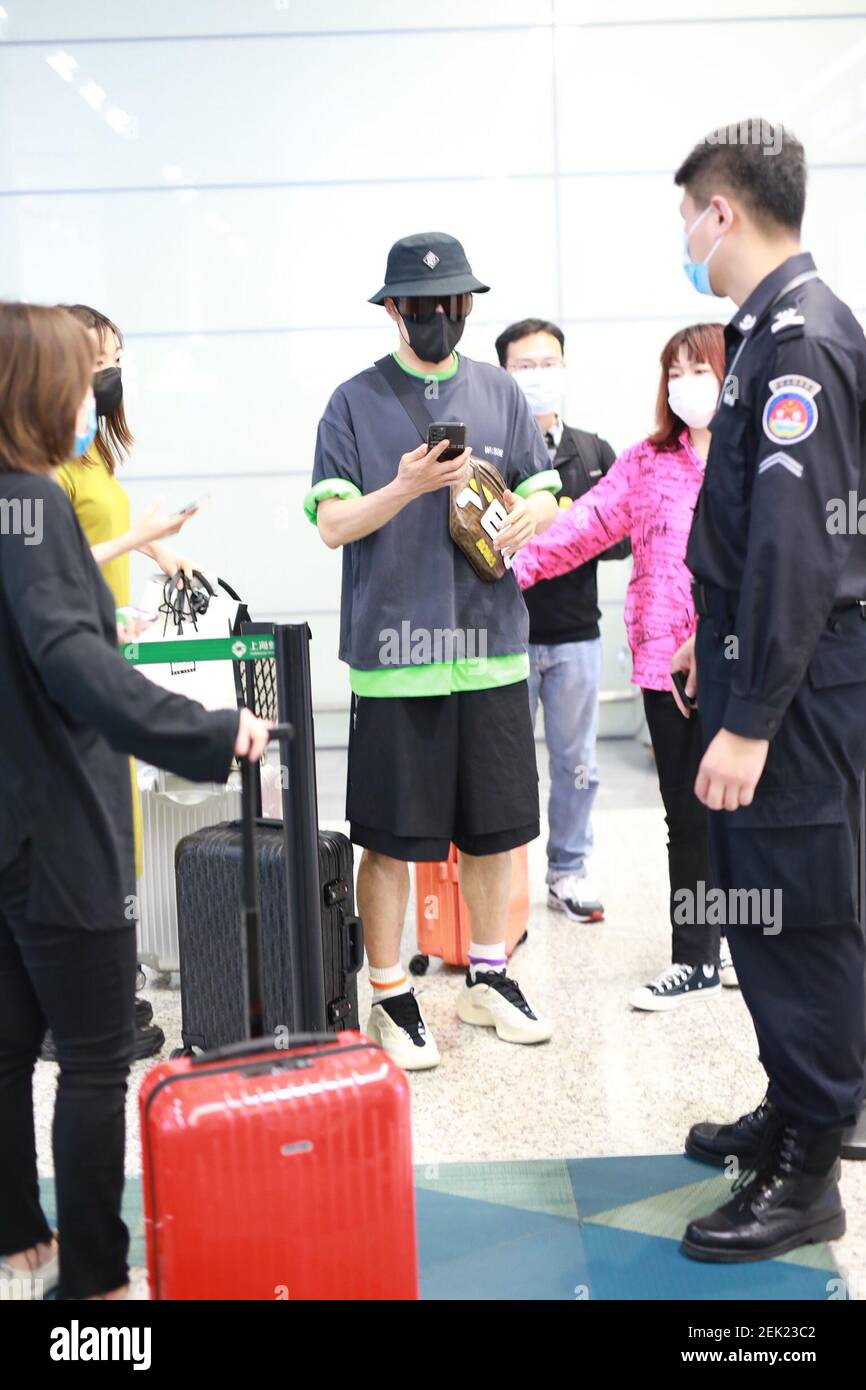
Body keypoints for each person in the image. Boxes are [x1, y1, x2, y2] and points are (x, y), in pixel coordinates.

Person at [0, 302, 270, 1299]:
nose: (91, 400)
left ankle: (19, 1232)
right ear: (35, 390)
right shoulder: (34, 511)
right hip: (61, 830)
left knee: (7, 1047)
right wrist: (206, 732)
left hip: (9, 828)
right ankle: (98, 1284)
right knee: (96, 1059)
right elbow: (74, 662)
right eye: (80, 380)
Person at [668, 119, 866, 1262]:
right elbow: (756, 539)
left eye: (687, 216)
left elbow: (797, 549)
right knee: (768, 900)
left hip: (793, 688)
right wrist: (714, 637)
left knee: (795, 908)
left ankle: (810, 1162)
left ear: (721, 211)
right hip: (766, 660)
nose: (686, 237)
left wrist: (748, 719)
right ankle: (795, 1102)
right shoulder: (769, 330)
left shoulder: (795, 341)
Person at [306, 232, 561, 1071]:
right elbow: (333, 523)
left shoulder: (501, 394)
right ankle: (389, 992)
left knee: (497, 833)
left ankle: (488, 977)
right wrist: (405, 486)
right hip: (396, 659)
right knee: (389, 840)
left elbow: (545, 494)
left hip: (490, 653)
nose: (435, 320)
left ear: (468, 307)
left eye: (449, 306)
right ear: (391, 310)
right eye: (418, 308)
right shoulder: (352, 403)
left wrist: (533, 515)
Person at [513, 324, 736, 1008]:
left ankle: (755, 946)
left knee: (757, 815)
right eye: (676, 370)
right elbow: (581, 530)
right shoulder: (646, 462)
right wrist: (499, 572)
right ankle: (697, 958)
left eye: (699, 368)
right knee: (688, 814)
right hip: (664, 668)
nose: (686, 382)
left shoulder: (756, 460)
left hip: (746, 662)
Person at [46, 304, 199, 1063]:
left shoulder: (91, 453)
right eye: (98, 359)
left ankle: (107, 983)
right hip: (64, 666)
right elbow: (51, 558)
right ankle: (67, 1001)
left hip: (101, 650)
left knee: (115, 829)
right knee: (80, 832)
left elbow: (98, 534)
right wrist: (146, 538)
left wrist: (158, 560)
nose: (111, 374)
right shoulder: (42, 462)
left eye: (116, 358)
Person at [496, 317, 630, 923]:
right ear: (503, 374)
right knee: (504, 766)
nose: (538, 376)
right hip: (504, 637)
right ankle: (503, 882)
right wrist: (571, 521)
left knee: (578, 764)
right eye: (525, 366)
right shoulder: (487, 453)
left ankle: (568, 870)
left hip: (576, 636)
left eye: (548, 363)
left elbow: (624, 535)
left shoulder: (595, 449)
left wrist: (566, 524)